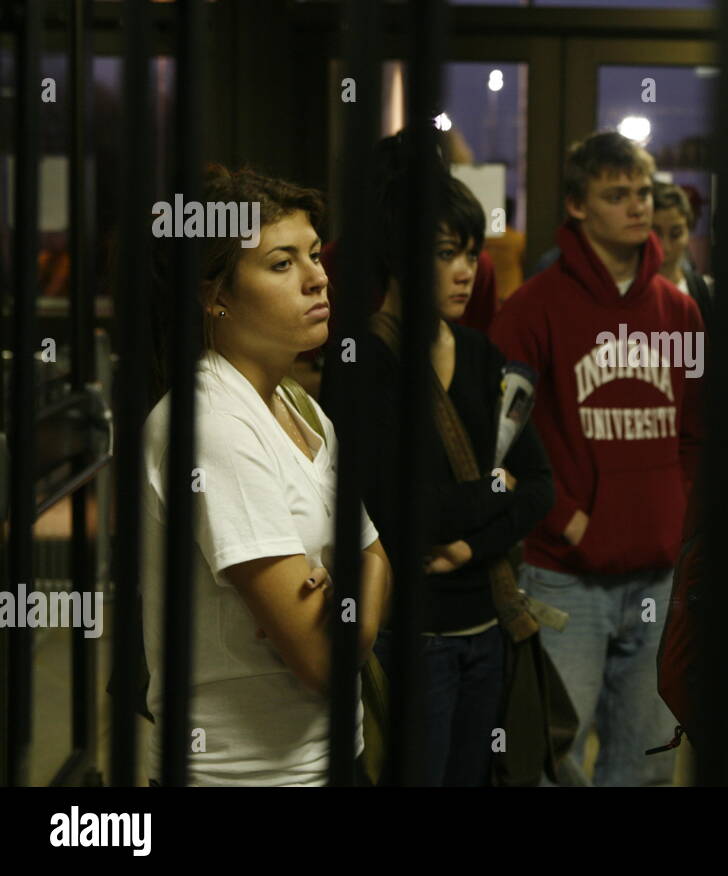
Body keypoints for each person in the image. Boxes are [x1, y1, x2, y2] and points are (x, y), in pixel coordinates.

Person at [141, 165, 392, 786]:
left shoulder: (299, 407)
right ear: (214, 294)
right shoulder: (213, 426)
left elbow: (380, 555)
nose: (318, 277)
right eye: (282, 263)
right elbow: (323, 658)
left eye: (314, 254)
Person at [320, 168, 554, 787]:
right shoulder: (363, 359)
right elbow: (400, 511)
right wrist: (493, 488)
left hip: (489, 623)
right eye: (446, 254)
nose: (465, 271)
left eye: (472, 255)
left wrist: (470, 543)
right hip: (411, 633)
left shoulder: (481, 353)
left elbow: (539, 486)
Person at [490, 130, 705, 786]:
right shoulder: (532, 309)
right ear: (578, 207)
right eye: (618, 196)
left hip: (659, 576)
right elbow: (499, 444)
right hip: (564, 578)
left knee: (646, 759)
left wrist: (677, 515)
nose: (638, 207)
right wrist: (568, 520)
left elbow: (697, 433)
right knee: (553, 757)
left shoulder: (680, 311)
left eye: (642, 192)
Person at [652, 180, 714, 332]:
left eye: (676, 234)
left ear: (689, 232)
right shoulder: (627, 290)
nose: (665, 246)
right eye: (656, 234)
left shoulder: (698, 288)